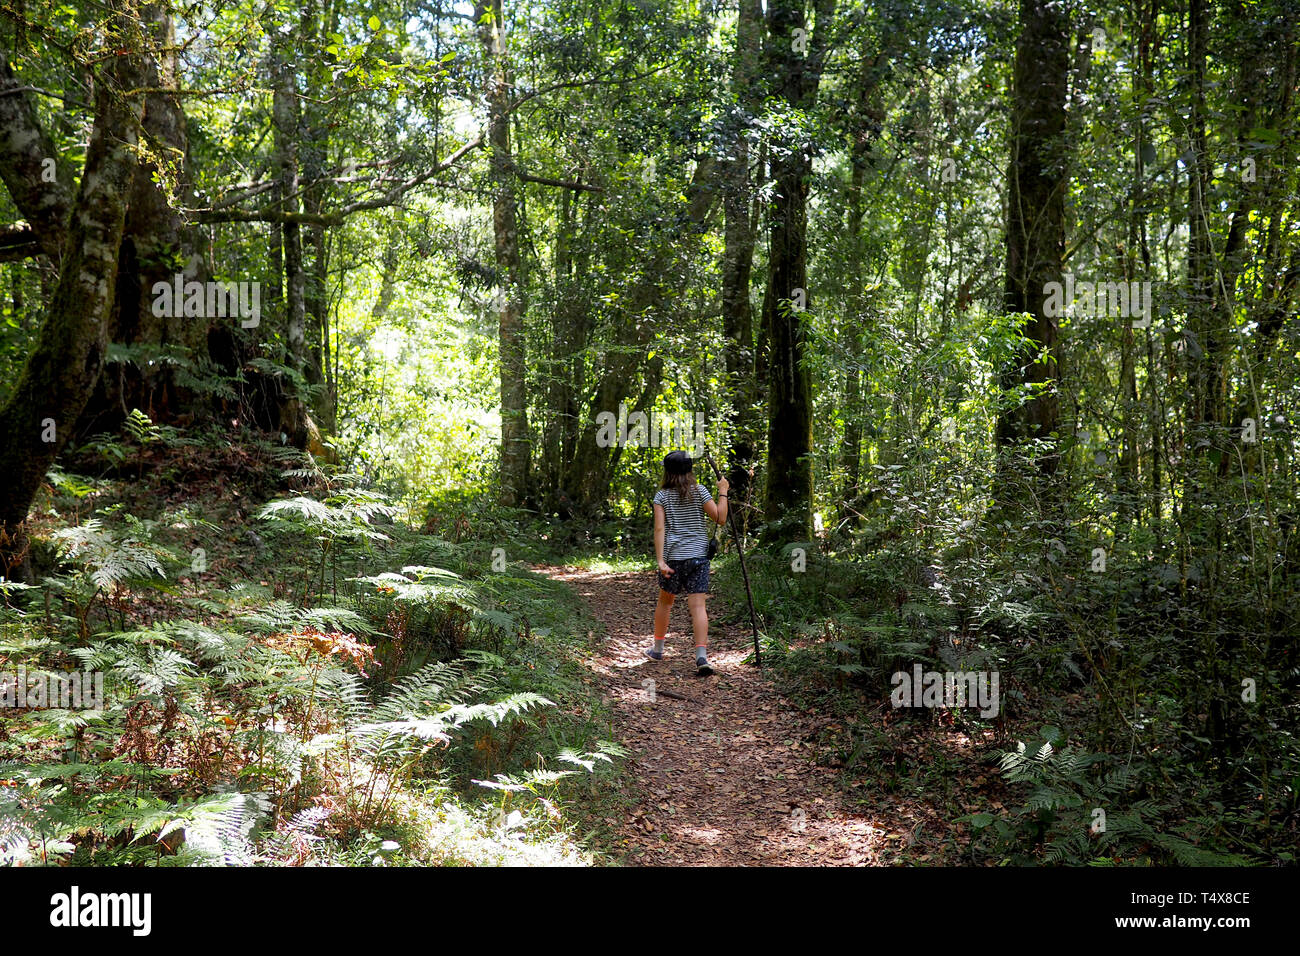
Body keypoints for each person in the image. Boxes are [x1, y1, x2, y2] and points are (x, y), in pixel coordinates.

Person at [645, 450, 728, 676]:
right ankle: (701, 656)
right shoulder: (700, 491)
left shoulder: (661, 496)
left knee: (665, 602)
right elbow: (720, 518)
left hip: (674, 558)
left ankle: (658, 649)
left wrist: (661, 560)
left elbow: (660, 529)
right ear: (690, 470)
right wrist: (723, 492)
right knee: (699, 607)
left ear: (667, 472)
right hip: (699, 558)